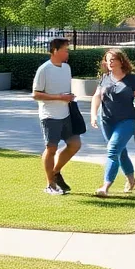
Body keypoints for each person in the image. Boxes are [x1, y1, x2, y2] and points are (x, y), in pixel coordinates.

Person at [91, 48, 135, 197]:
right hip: (106, 121)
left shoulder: (132, 79)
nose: (109, 62)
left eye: (112, 59)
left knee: (113, 149)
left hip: (127, 120)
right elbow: (97, 96)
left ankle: (105, 187)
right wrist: (93, 115)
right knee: (120, 151)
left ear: (121, 61)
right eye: (107, 60)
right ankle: (132, 180)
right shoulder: (105, 78)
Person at [32, 38, 82, 195]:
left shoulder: (66, 68)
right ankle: (50, 185)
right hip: (49, 115)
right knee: (51, 148)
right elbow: (36, 95)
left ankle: (55, 171)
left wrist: (68, 97)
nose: (68, 52)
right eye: (65, 50)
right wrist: (60, 97)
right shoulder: (44, 69)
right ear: (55, 50)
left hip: (66, 113)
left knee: (75, 144)